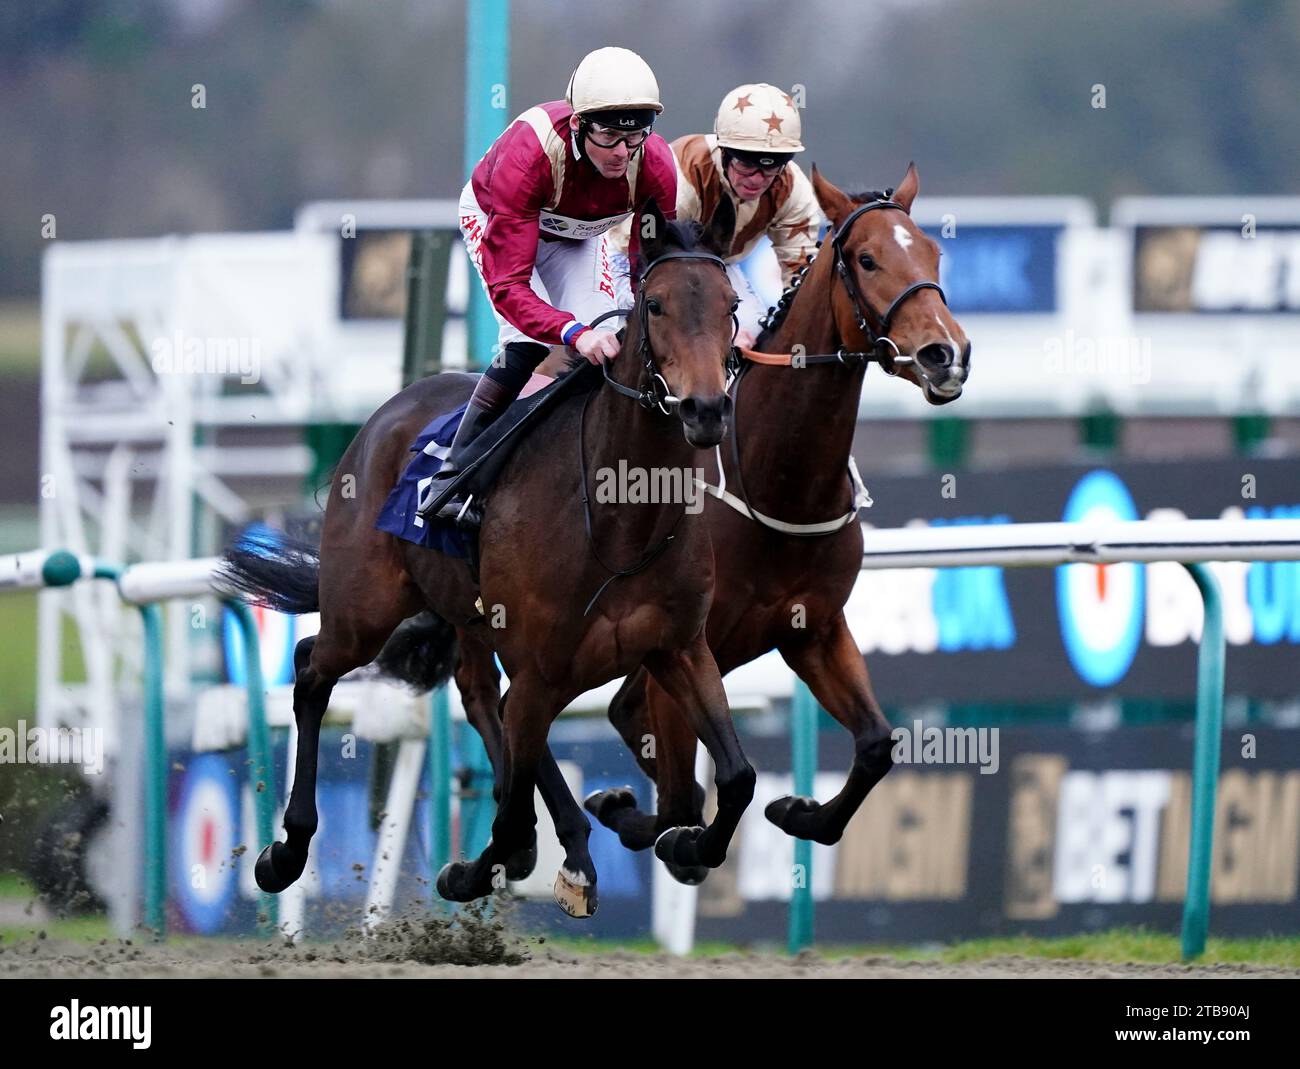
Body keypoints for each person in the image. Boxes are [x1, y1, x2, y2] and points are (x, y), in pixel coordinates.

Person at [421, 46, 678, 521]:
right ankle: (452, 478)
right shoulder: (531, 155)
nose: (623, 152)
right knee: (528, 338)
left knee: (611, 333)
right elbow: (511, 288)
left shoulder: (657, 166)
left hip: (581, 233)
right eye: (608, 135)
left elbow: (653, 268)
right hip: (505, 217)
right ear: (579, 125)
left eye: (635, 134)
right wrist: (571, 332)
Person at [611, 82, 821, 349]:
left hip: (718, 265)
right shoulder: (682, 176)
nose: (757, 180)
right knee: (629, 334)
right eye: (746, 164)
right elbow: (646, 259)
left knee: (755, 339)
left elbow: (799, 277)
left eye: (771, 168)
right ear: (724, 152)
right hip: (628, 257)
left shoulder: (794, 190)